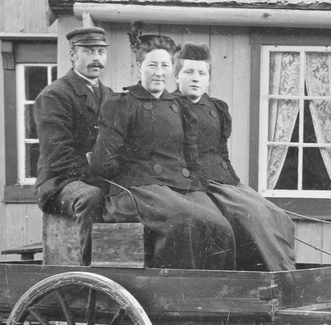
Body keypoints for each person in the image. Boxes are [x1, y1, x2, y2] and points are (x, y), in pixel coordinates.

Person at [89, 25, 235, 270]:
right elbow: (101, 163)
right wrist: (132, 173)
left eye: (165, 66)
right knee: (184, 219)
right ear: (139, 67)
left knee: (220, 225)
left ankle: (216, 289)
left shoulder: (181, 107)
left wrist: (194, 185)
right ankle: (174, 287)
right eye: (152, 65)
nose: (159, 73)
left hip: (178, 186)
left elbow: (192, 159)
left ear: (171, 69)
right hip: (136, 189)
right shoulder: (121, 104)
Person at [173, 42, 297, 271]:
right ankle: (271, 273)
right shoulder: (170, 106)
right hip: (197, 182)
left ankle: (287, 270)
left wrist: (236, 185)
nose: (195, 78)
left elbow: (222, 151)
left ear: (209, 79)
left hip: (224, 179)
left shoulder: (217, 108)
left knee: (277, 215)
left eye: (202, 73)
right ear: (176, 76)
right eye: (188, 72)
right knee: (249, 215)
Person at [33, 27, 111, 264]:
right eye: (88, 51)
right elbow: (59, 156)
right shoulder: (55, 95)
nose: (96, 58)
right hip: (60, 183)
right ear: (73, 55)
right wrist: (100, 178)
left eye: (100, 52)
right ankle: (91, 270)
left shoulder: (110, 95)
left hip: (95, 177)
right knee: (92, 197)